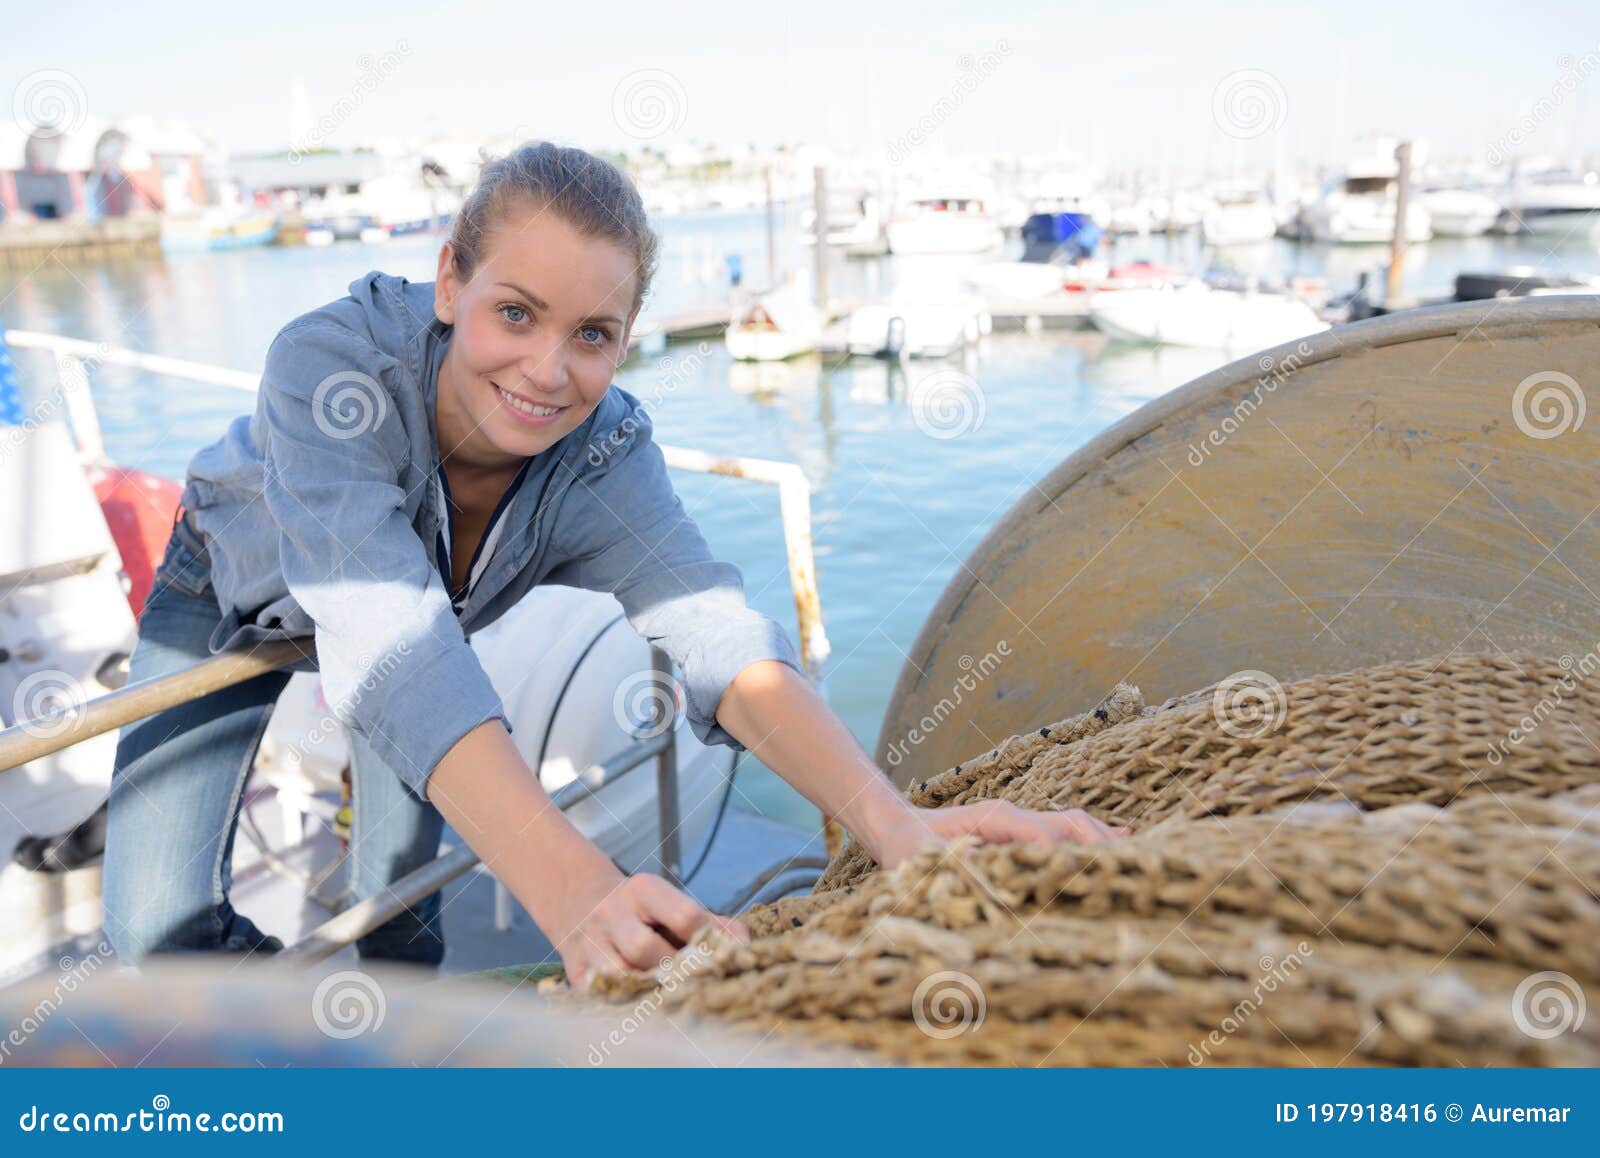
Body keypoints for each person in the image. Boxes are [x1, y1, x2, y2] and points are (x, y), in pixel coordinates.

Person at [94, 142, 1128, 990]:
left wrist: (890, 818)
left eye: (592, 334)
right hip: (236, 587)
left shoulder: (604, 454)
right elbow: (389, 641)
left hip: (417, 636)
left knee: (403, 916)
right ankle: (250, 1037)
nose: (548, 371)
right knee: (154, 931)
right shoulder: (327, 368)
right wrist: (580, 894)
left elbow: (716, 634)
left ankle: (389, 1052)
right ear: (450, 278)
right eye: (515, 313)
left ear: (628, 337)